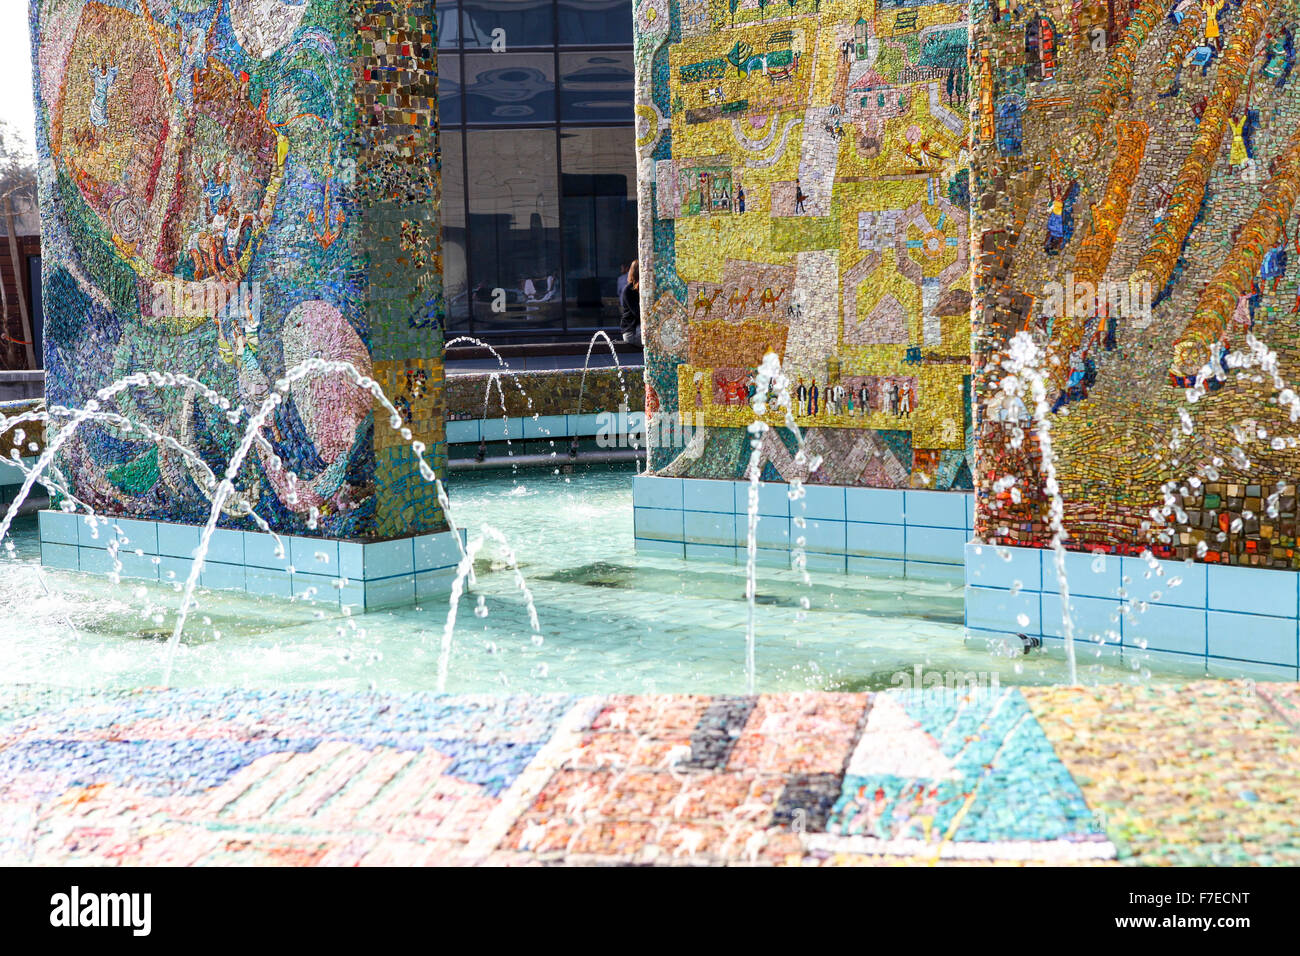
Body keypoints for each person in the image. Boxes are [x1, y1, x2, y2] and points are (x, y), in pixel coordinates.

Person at [620, 261, 642, 343]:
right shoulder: (629, 290)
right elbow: (637, 313)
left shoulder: (643, 288)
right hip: (632, 332)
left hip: (640, 330)